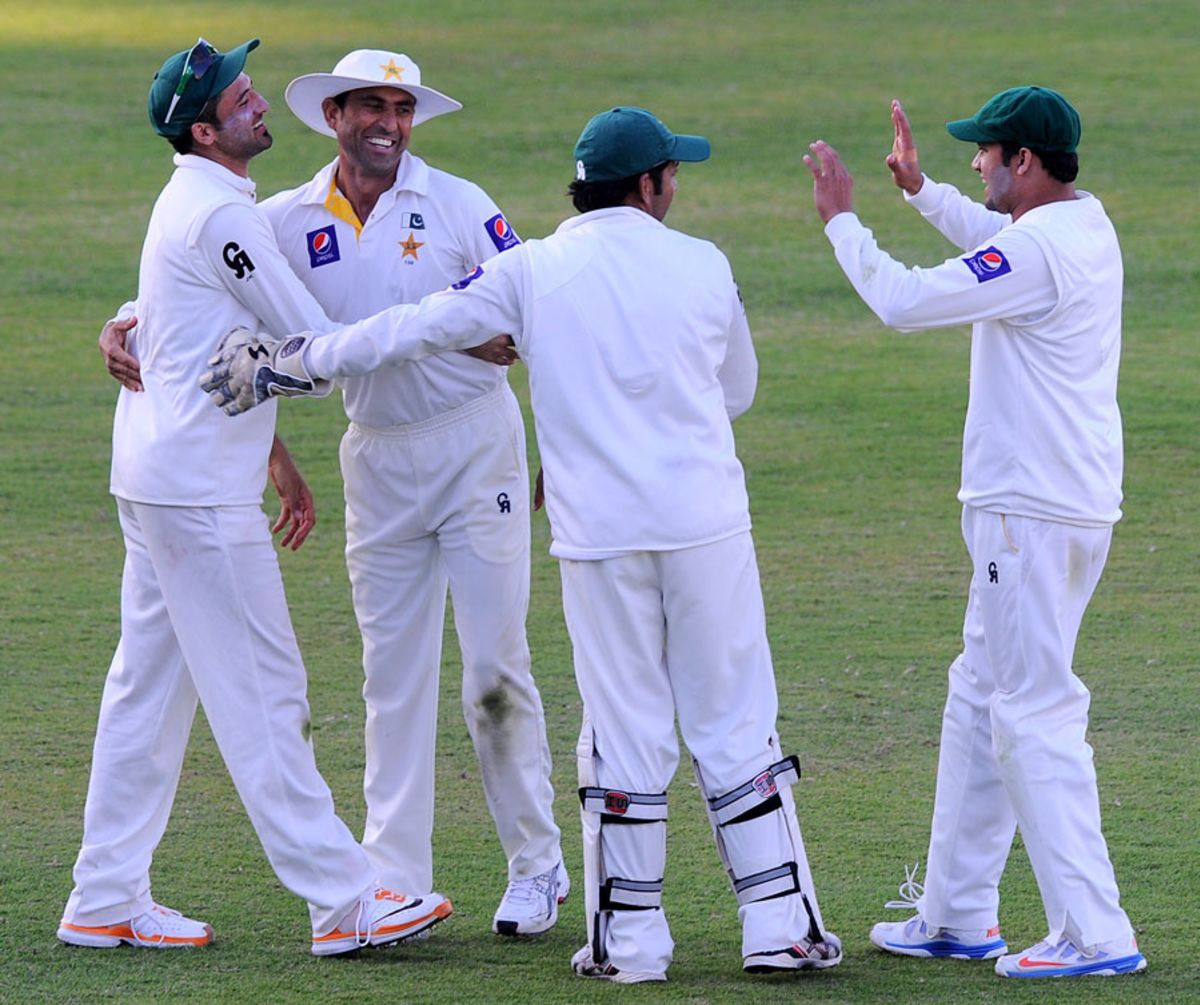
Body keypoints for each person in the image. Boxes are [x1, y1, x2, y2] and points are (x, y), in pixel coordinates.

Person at [200, 105, 843, 983]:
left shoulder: (533, 270)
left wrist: (292, 361)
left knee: (624, 729)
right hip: (705, 528)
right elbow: (737, 390)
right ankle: (779, 926)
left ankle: (631, 942)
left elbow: (412, 327)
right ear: (649, 185)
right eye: (672, 176)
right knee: (734, 717)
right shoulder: (704, 263)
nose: (675, 187)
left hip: (599, 536)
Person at [101, 48, 567, 936]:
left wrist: (565, 443)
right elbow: (195, 283)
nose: (387, 122)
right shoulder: (282, 216)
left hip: (477, 450)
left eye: (402, 107)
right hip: (379, 458)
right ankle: (390, 876)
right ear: (334, 118)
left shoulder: (459, 204)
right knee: (389, 681)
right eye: (369, 107)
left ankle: (535, 866)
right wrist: (120, 320)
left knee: (495, 671)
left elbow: (535, 314)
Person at [59, 37, 450, 957]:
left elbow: (199, 321)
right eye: (240, 100)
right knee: (266, 692)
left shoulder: (205, 199)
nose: (259, 102)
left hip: (159, 479)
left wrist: (138, 326)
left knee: (146, 694)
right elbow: (310, 344)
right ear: (204, 129)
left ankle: (104, 894)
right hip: (197, 493)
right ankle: (346, 900)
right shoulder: (219, 218)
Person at [802, 87, 1145, 979]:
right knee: (980, 693)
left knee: (1033, 711)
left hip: (1029, 515)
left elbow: (907, 303)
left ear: (1021, 162)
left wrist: (844, 221)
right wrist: (919, 193)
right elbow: (995, 247)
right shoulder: (1081, 222)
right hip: (1047, 505)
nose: (975, 163)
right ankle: (956, 913)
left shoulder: (1038, 249)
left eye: (983, 154)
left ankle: (1095, 931)